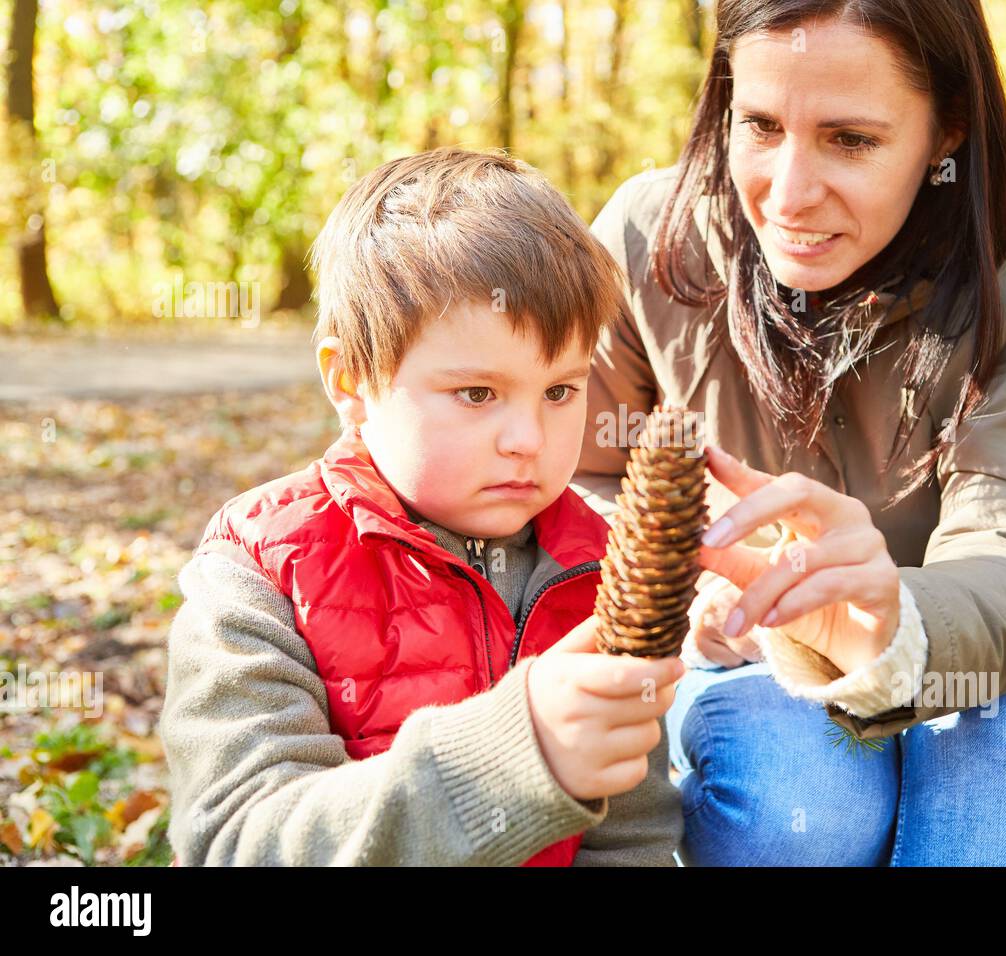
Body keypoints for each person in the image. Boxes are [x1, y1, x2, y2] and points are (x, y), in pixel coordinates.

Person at [573, 0, 1006, 865]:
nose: (788, 195)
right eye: (757, 124)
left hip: (967, 651)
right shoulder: (648, 241)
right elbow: (575, 483)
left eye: (851, 140)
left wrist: (886, 624)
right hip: (732, 658)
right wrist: (683, 601)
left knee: (993, 762)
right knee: (803, 804)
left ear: (947, 129)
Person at [158, 148, 684, 866]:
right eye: (477, 394)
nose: (528, 440)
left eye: (561, 391)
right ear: (350, 380)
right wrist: (504, 762)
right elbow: (238, 840)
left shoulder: (608, 574)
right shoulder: (261, 576)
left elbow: (634, 836)